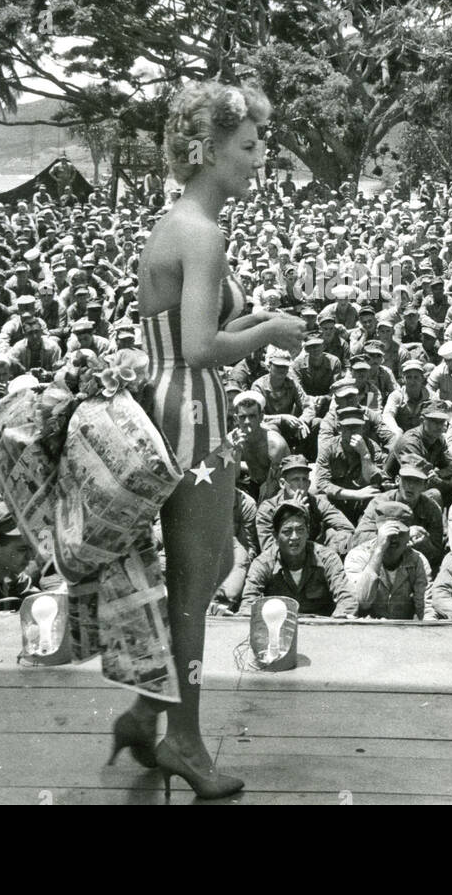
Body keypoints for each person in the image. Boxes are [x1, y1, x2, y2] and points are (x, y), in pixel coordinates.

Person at [120, 80, 305, 799]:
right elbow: (199, 346)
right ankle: (186, 743)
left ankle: (146, 712)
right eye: (249, 147)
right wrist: (268, 331)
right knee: (198, 582)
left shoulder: (180, 222)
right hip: (189, 408)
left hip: (179, 403)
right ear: (210, 152)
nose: (259, 160)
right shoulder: (205, 231)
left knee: (208, 564)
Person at [239, 497, 357, 618]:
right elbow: (249, 603)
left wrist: (338, 618)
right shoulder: (263, 563)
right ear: (275, 535)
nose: (295, 537)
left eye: (300, 530)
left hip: (321, 628)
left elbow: (347, 598)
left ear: (308, 532)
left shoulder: (327, 558)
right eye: (287, 531)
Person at [343, 499, 430, 619]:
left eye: (400, 532)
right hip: (366, 630)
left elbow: (426, 608)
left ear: (409, 534)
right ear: (378, 532)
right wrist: (379, 550)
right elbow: (362, 601)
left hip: (403, 630)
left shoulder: (417, 561)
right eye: (388, 533)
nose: (393, 538)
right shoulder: (357, 556)